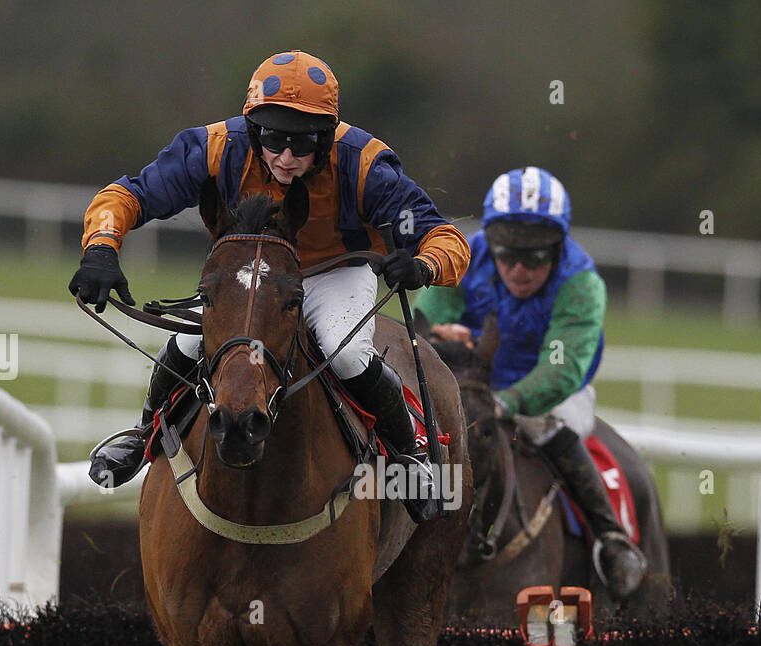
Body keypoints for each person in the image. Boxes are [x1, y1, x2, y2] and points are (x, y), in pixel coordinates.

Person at [70, 49, 469, 520]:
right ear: (253, 128)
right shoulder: (215, 147)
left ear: (326, 138)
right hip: (251, 273)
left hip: (334, 272)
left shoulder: (365, 165)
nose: (285, 157)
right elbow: (127, 195)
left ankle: (409, 454)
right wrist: (101, 248)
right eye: (273, 139)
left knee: (345, 353)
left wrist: (424, 266)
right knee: (190, 342)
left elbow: (445, 238)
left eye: (302, 144)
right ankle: (144, 433)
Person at [414, 166, 647, 597]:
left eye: (535, 257)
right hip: (471, 388)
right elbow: (423, 329)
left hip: (551, 394)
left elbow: (562, 369)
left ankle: (611, 540)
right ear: (491, 243)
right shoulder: (462, 256)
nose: (519, 270)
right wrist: (441, 340)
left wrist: (507, 402)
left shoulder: (580, 282)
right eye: (507, 254)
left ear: (557, 248)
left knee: (549, 424)